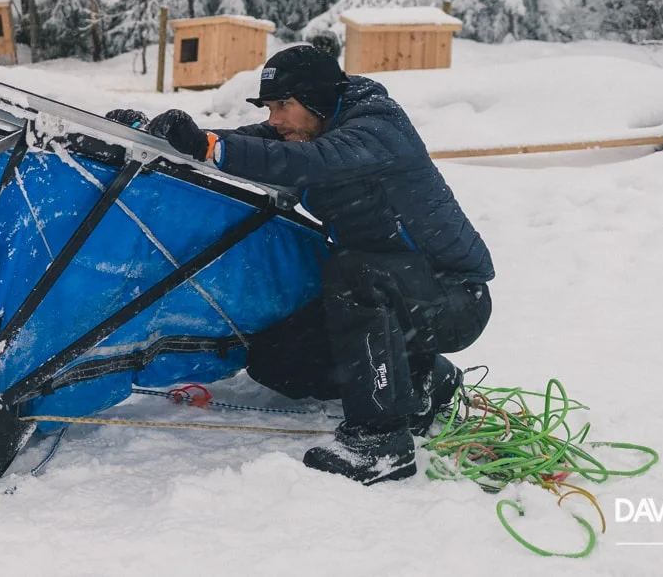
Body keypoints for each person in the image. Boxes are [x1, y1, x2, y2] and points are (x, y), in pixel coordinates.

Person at [108, 45, 493, 485]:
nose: (275, 118)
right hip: (394, 292)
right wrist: (158, 139)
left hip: (454, 296)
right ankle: (423, 378)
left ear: (318, 100)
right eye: (270, 107)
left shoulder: (378, 128)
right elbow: (245, 143)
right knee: (275, 358)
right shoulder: (305, 130)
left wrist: (213, 148)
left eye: (283, 106)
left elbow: (310, 163)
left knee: (354, 274)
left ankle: (381, 441)